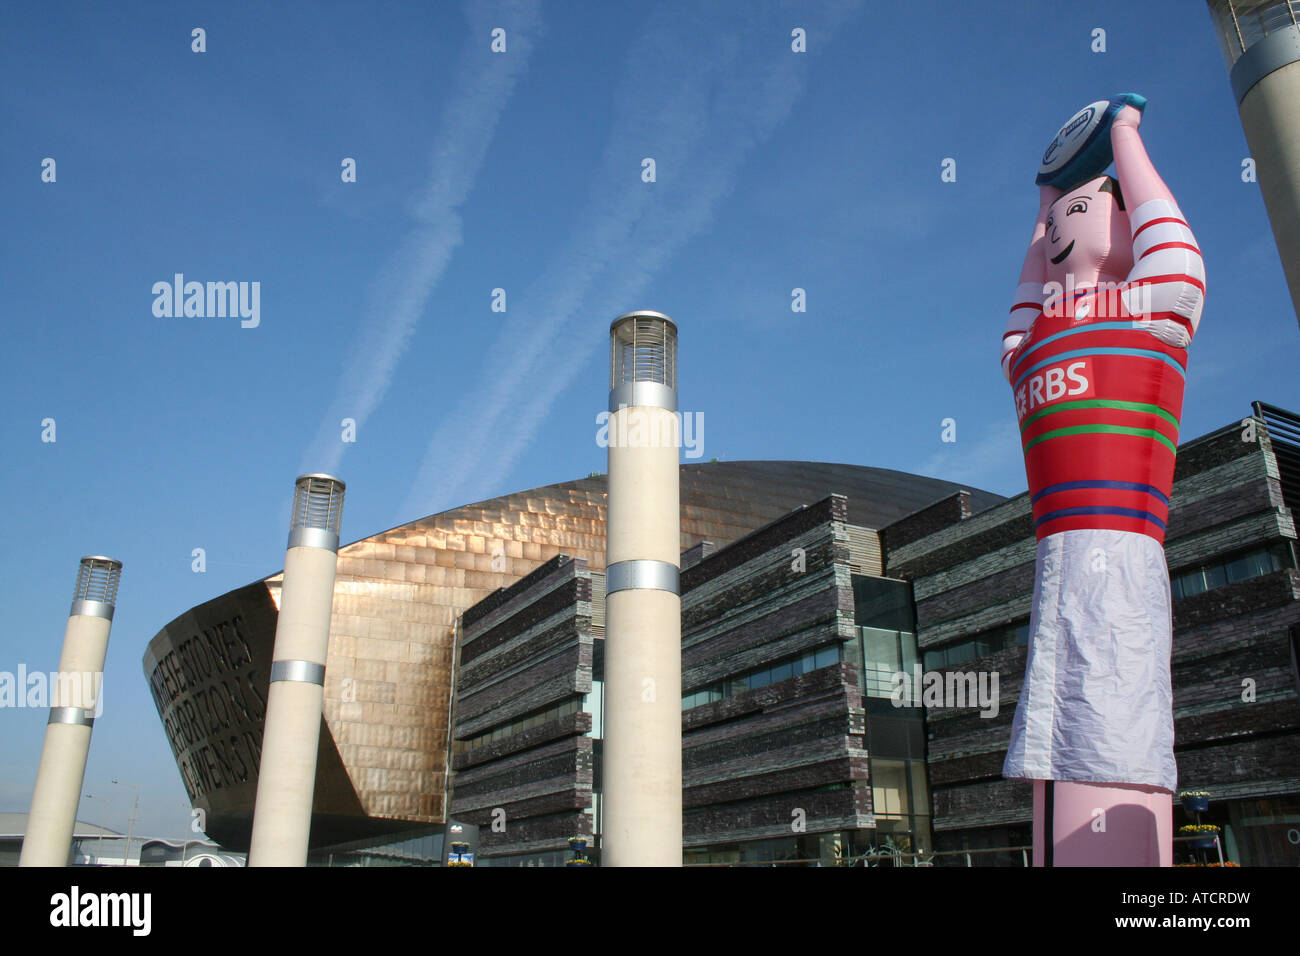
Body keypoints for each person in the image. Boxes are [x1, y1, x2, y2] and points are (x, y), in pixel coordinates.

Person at [999, 103, 1206, 863]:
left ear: (1121, 226)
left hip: (1123, 555)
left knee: (1116, 723)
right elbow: (1024, 304)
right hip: (1055, 569)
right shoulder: (1034, 338)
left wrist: (1125, 136)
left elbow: (1180, 259)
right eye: (1058, 221)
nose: (1060, 230)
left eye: (1082, 213)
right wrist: (1045, 202)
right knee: (1058, 741)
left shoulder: (1146, 311)